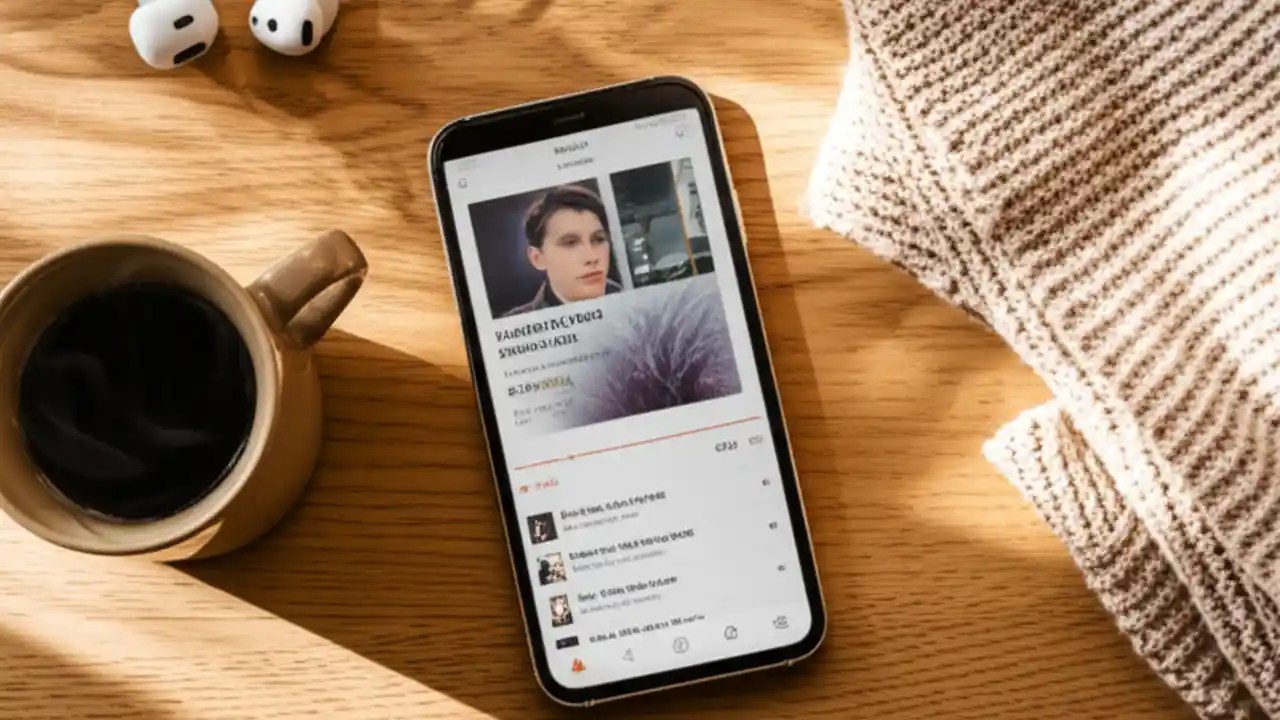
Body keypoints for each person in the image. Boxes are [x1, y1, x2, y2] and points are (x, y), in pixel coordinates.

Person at [504, 185, 622, 317]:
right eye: (570, 243)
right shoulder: (513, 323)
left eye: (598, 239)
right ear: (537, 258)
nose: (592, 257)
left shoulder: (632, 302)